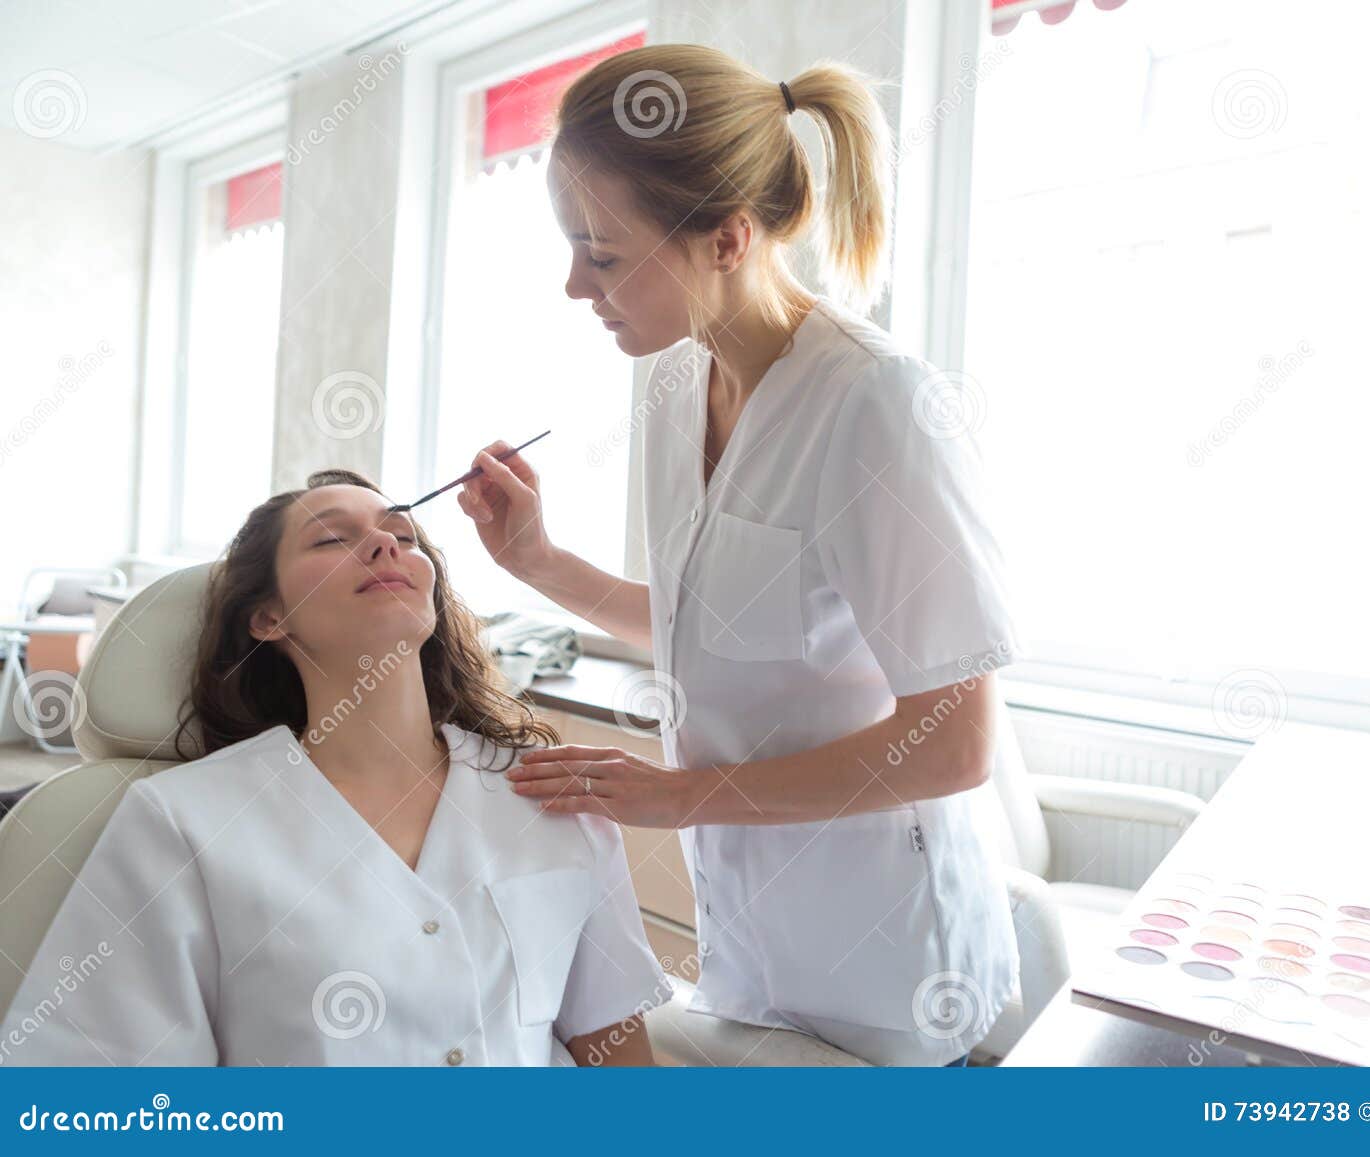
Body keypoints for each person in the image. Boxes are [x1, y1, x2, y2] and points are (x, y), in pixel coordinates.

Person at [456, 44, 1022, 1066]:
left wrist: (682, 798)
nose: (574, 283)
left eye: (603, 251)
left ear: (725, 239)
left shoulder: (877, 404)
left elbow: (954, 740)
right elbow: (705, 625)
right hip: (755, 947)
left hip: (889, 962)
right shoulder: (681, 391)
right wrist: (537, 560)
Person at [0, 472, 665, 1067]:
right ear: (268, 617)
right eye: (330, 540)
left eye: (402, 533)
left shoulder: (548, 796)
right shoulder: (182, 821)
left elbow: (620, 1064)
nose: (385, 546)